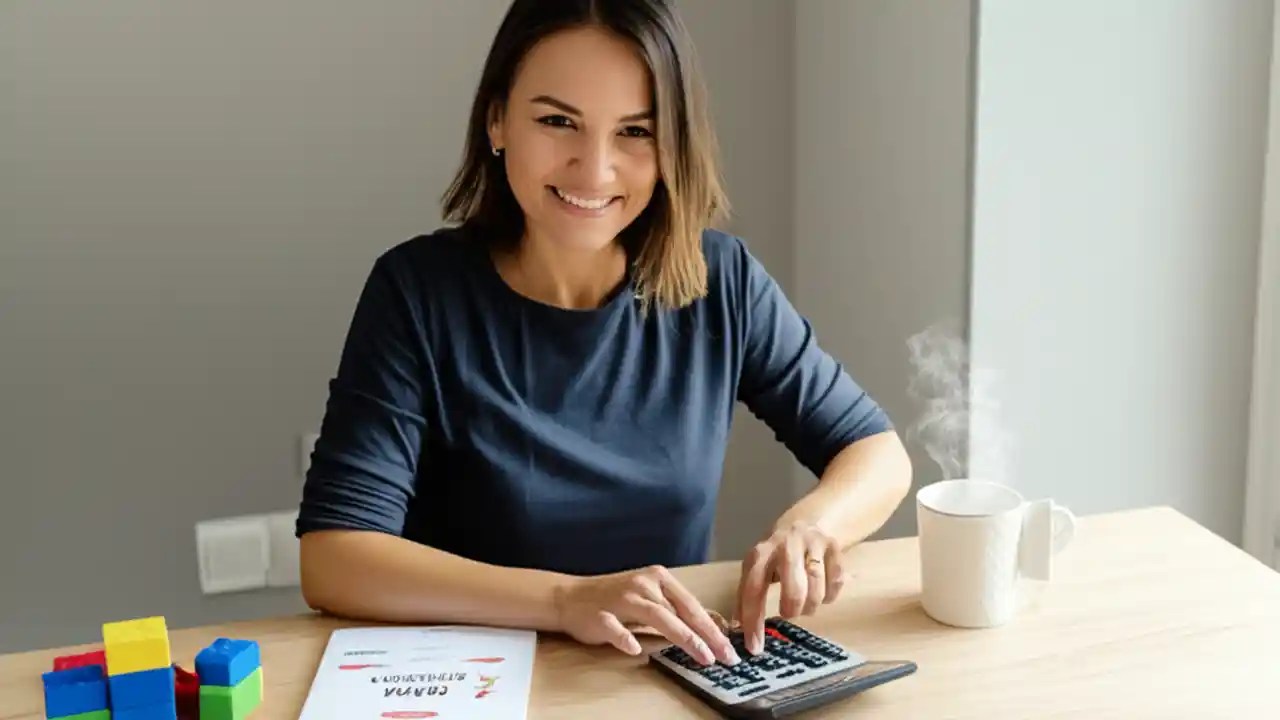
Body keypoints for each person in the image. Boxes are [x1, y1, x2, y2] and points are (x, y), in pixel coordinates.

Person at [295, 0, 912, 670]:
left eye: (635, 133)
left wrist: (811, 526)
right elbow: (335, 557)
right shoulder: (416, 292)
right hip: (473, 679)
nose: (594, 169)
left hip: (652, 677)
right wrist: (565, 601)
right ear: (497, 118)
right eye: (558, 121)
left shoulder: (721, 282)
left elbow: (876, 452)